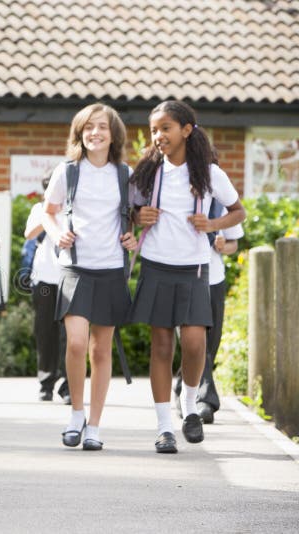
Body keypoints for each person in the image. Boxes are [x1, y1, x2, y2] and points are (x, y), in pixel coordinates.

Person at [129, 100, 245, 453]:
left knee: (195, 345)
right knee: (162, 347)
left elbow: (239, 211)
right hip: (156, 265)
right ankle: (164, 427)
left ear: (186, 130)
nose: (158, 136)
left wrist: (212, 224)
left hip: (195, 269)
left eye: (165, 128)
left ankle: (190, 405)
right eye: (154, 130)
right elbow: (128, 213)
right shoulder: (147, 172)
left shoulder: (209, 173)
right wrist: (138, 216)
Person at [42, 103, 138, 451]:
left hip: (111, 270)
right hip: (75, 268)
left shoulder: (125, 174)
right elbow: (48, 211)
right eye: (88, 128)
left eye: (102, 127)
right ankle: (76, 414)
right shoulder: (67, 172)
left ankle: (95, 426)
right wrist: (56, 235)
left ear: (114, 135)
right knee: (77, 342)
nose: (94, 133)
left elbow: (137, 217)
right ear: (79, 133)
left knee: (100, 350)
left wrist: (133, 236)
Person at [174, 207, 243, 423]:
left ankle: (182, 389)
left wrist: (224, 246)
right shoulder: (180, 198)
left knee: (211, 342)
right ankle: (204, 400)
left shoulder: (221, 204)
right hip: (183, 277)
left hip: (213, 279)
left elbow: (234, 244)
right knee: (193, 341)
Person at [24, 177, 70, 404]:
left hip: (71, 278)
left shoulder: (75, 208)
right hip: (44, 280)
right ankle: (46, 383)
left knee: (70, 333)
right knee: (45, 332)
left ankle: (68, 385)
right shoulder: (40, 209)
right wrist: (48, 215)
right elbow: (29, 234)